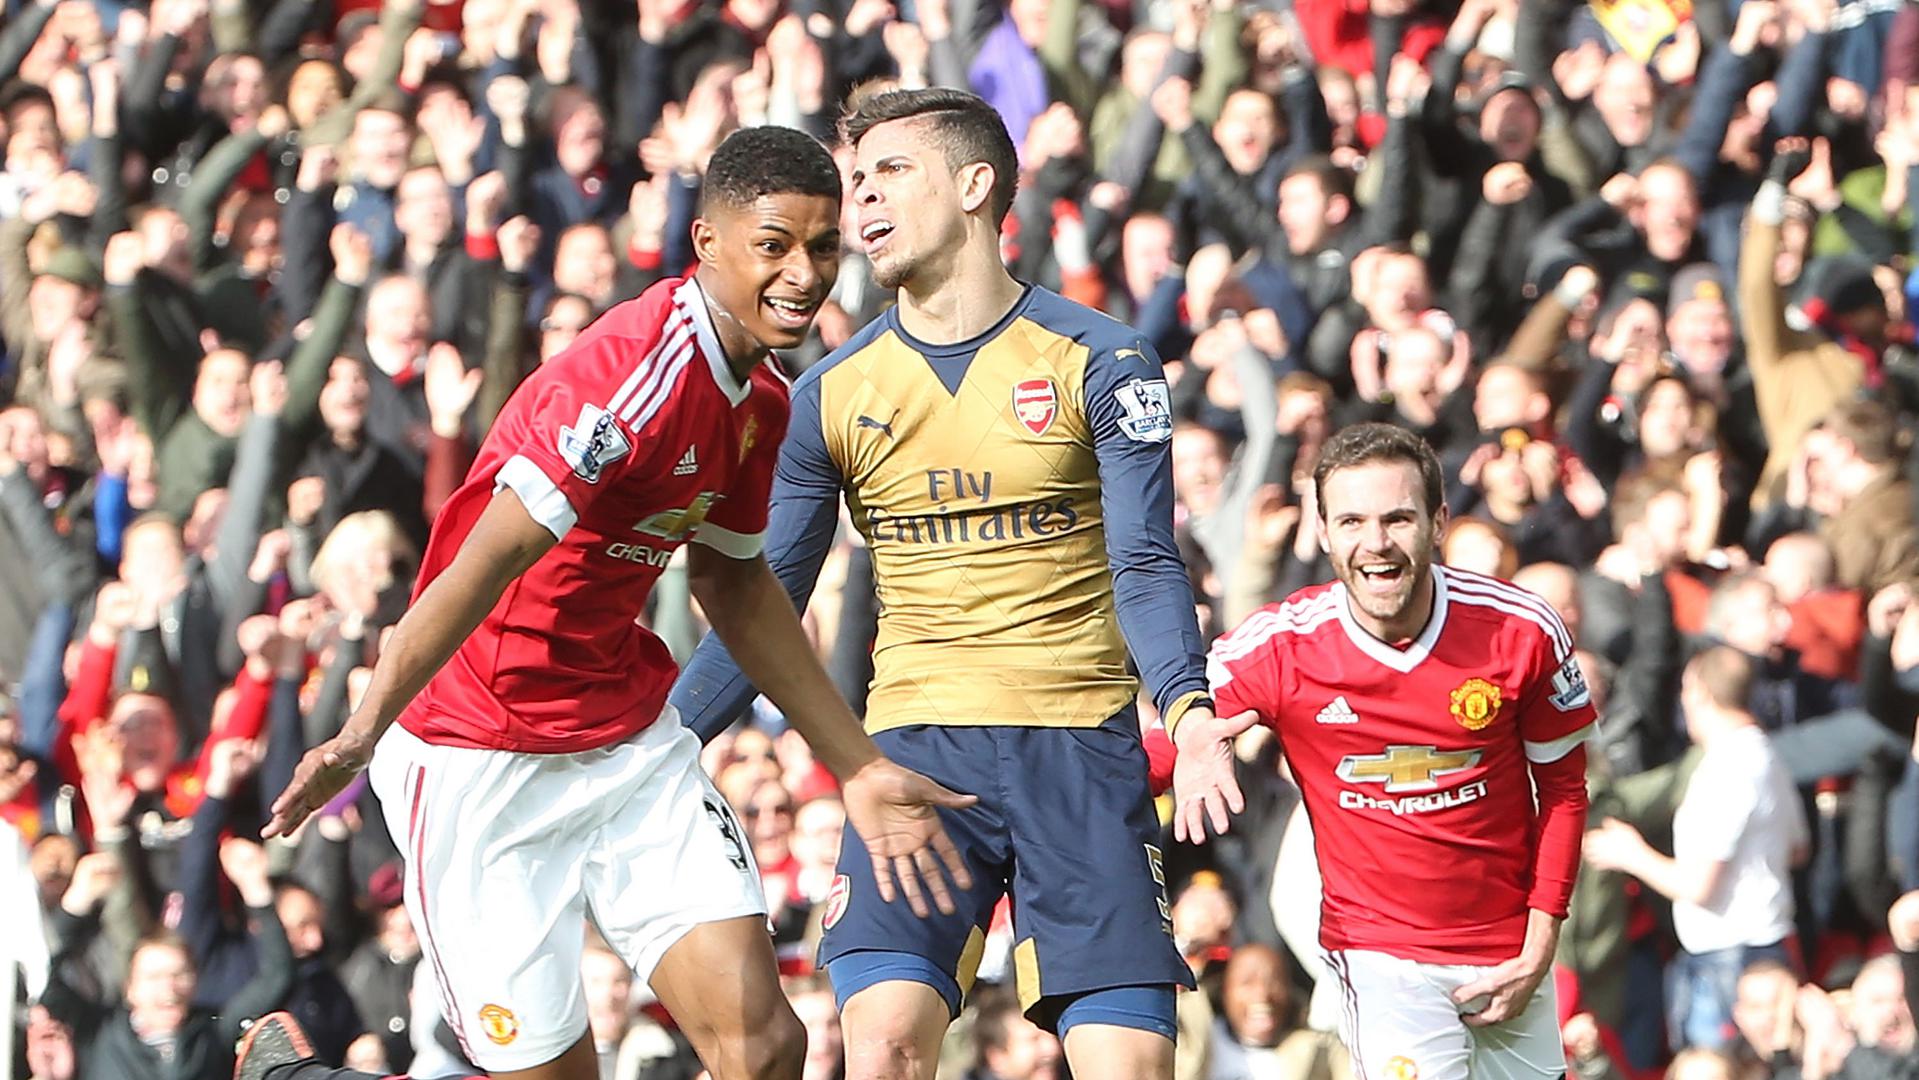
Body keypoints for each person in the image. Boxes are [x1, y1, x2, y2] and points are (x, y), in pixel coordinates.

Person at [234, 124, 976, 1080]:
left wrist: (856, 765)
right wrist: (364, 729)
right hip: (475, 756)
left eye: (822, 246)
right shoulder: (632, 377)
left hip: (622, 742)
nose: (804, 272)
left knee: (766, 1048)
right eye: (774, 245)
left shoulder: (761, 402)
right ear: (706, 244)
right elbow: (475, 564)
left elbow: (733, 580)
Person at [672, 87, 1217, 1080]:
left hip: (1079, 751)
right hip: (917, 750)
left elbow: (1143, 558)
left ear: (973, 186)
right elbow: (764, 600)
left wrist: (1187, 710)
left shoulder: (1100, 357)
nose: (861, 201)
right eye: (854, 181)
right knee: (879, 1048)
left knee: (1128, 1068)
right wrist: (661, 743)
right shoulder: (831, 392)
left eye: (888, 172)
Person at [1186, 422, 1596, 1078]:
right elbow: (1171, 730)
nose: (1374, 544)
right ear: (1321, 532)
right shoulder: (1281, 646)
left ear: (1438, 522)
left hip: (1509, 951)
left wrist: (1541, 937)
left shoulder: (1520, 632)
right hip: (1381, 958)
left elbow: (1565, 791)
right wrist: (1184, 742)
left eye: (1397, 518)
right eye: (1350, 521)